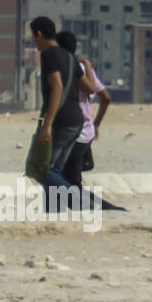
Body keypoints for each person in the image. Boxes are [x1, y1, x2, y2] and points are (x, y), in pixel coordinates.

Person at [28, 17, 88, 212]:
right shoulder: (69, 57)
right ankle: (54, 211)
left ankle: (80, 200)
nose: (33, 42)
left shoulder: (49, 55)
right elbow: (89, 87)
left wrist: (47, 124)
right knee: (55, 170)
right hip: (76, 121)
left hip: (61, 123)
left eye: (33, 37)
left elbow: (57, 86)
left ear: (38, 34)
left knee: (41, 169)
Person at [55, 30, 110, 190]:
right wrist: (96, 124)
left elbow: (91, 90)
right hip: (85, 132)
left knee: (69, 178)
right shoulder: (83, 69)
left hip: (70, 133)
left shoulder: (61, 70)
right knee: (71, 173)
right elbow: (105, 97)